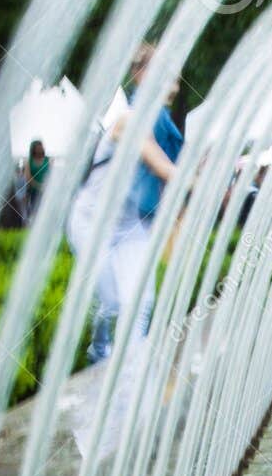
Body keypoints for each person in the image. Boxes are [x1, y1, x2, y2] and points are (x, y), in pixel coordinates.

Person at [67, 42, 183, 365]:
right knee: (112, 300)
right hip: (92, 221)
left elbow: (165, 187)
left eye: (175, 79)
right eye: (165, 78)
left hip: (133, 225)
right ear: (140, 75)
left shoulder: (164, 128)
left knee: (141, 302)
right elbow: (163, 168)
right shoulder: (126, 120)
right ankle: (100, 353)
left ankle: (127, 375)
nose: (173, 87)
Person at [26, 139, 50, 215]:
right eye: (38, 148)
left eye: (41, 147)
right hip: (34, 191)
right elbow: (28, 177)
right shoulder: (29, 161)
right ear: (34, 149)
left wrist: (46, 186)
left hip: (46, 189)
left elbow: (51, 175)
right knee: (35, 210)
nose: (40, 149)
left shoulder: (47, 160)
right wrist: (39, 186)